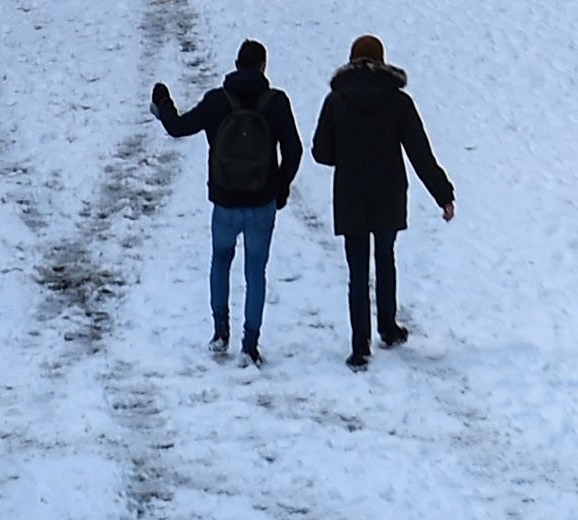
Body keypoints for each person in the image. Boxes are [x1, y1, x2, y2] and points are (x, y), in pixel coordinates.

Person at [308, 33, 455, 368]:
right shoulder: (398, 101)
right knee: (385, 258)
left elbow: (320, 152)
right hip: (388, 192)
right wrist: (443, 195)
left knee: (357, 271)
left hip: (350, 194)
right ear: (382, 60)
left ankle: (360, 346)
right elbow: (420, 153)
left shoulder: (336, 99)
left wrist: (345, 156)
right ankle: (388, 327)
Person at [153, 40, 302, 363]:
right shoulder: (276, 103)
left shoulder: (217, 101)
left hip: (225, 202)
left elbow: (178, 127)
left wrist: (163, 102)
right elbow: (294, 151)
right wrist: (280, 188)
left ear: (236, 64)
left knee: (220, 262)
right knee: (256, 272)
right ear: (264, 66)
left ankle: (221, 332)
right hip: (262, 202)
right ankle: (250, 344)